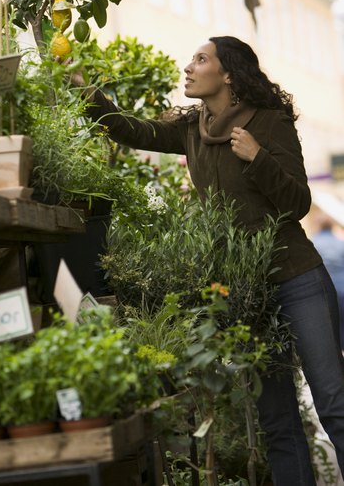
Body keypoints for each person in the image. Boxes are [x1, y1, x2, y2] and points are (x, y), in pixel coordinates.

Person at [72, 36, 344, 485]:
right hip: (246, 291)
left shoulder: (270, 123)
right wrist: (85, 91)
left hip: (297, 278)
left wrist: (258, 158)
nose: (189, 66)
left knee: (333, 402)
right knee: (276, 418)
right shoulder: (191, 129)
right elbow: (131, 129)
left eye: (200, 59)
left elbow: (297, 202)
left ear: (228, 73)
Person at [311, 210, 344, 350]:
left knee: (330, 325)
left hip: (324, 289)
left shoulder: (312, 243)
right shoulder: (340, 243)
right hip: (343, 286)